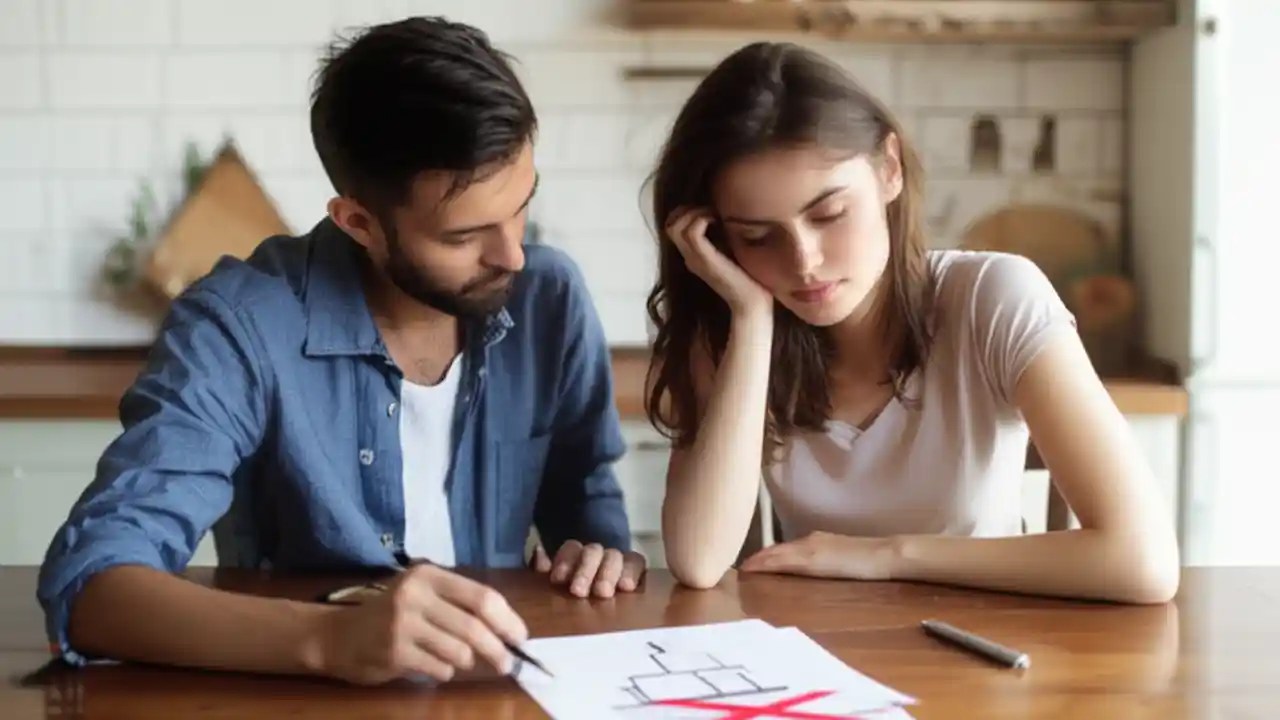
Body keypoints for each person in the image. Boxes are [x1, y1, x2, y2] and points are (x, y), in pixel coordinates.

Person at [37, 16, 645, 686]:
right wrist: (333, 640)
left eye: (521, 207)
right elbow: (92, 587)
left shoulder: (548, 297)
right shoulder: (239, 326)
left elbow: (587, 512)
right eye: (464, 235)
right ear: (358, 222)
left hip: (500, 689)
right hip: (302, 696)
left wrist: (603, 557)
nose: (513, 254)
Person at [644, 41, 1179, 604]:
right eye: (756, 235)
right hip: (818, 656)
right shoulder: (731, 332)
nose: (803, 261)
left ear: (889, 169)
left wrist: (884, 555)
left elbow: (1142, 561)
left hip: (984, 646)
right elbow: (699, 560)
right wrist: (752, 320)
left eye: (829, 215)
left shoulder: (992, 298)